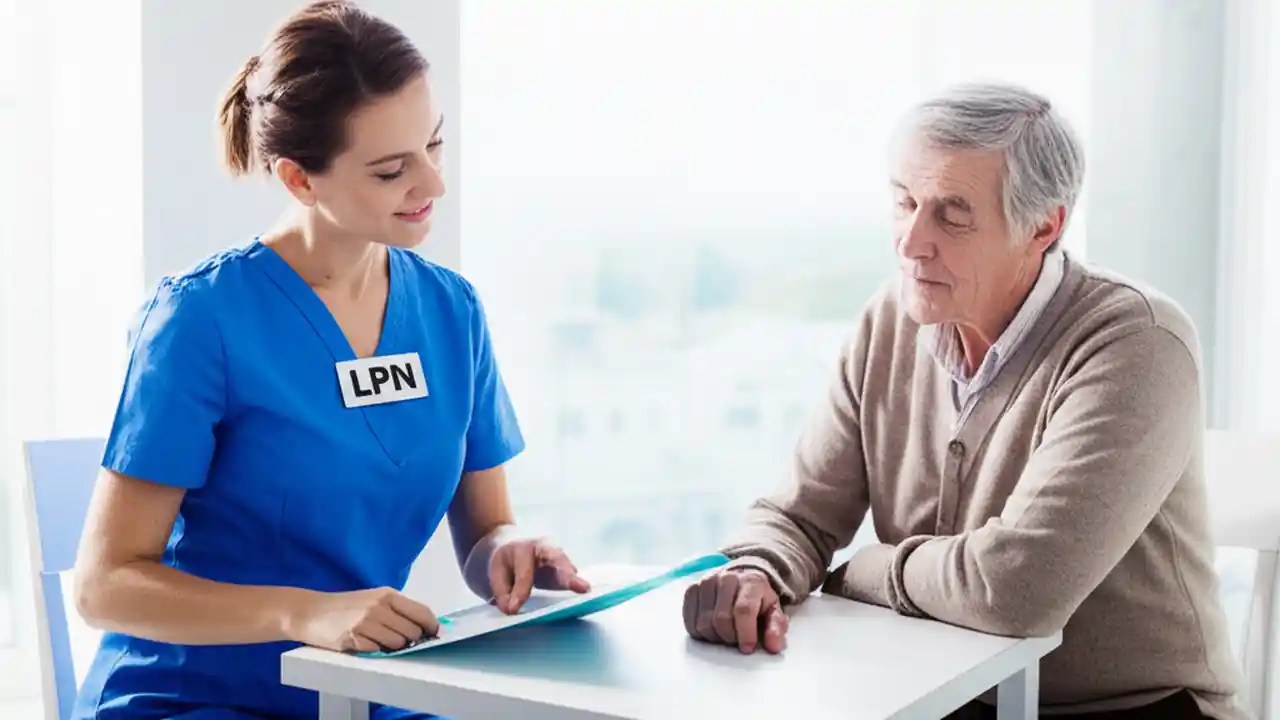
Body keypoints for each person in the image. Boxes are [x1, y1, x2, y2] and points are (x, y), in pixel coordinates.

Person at [70, 2, 588, 718]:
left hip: (365, 689)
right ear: (299, 180)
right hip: (191, 697)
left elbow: (484, 531)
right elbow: (104, 586)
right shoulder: (201, 319)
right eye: (391, 170)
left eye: (435, 145)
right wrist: (303, 613)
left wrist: (510, 549)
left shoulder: (452, 311)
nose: (433, 184)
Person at [682, 82, 1248, 720]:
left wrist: (862, 571)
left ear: (1044, 226)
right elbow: (800, 516)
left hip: (1134, 709)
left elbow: (1018, 589)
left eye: (952, 216)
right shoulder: (891, 320)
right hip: (950, 699)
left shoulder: (1136, 342)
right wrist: (756, 572)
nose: (910, 242)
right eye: (904, 202)